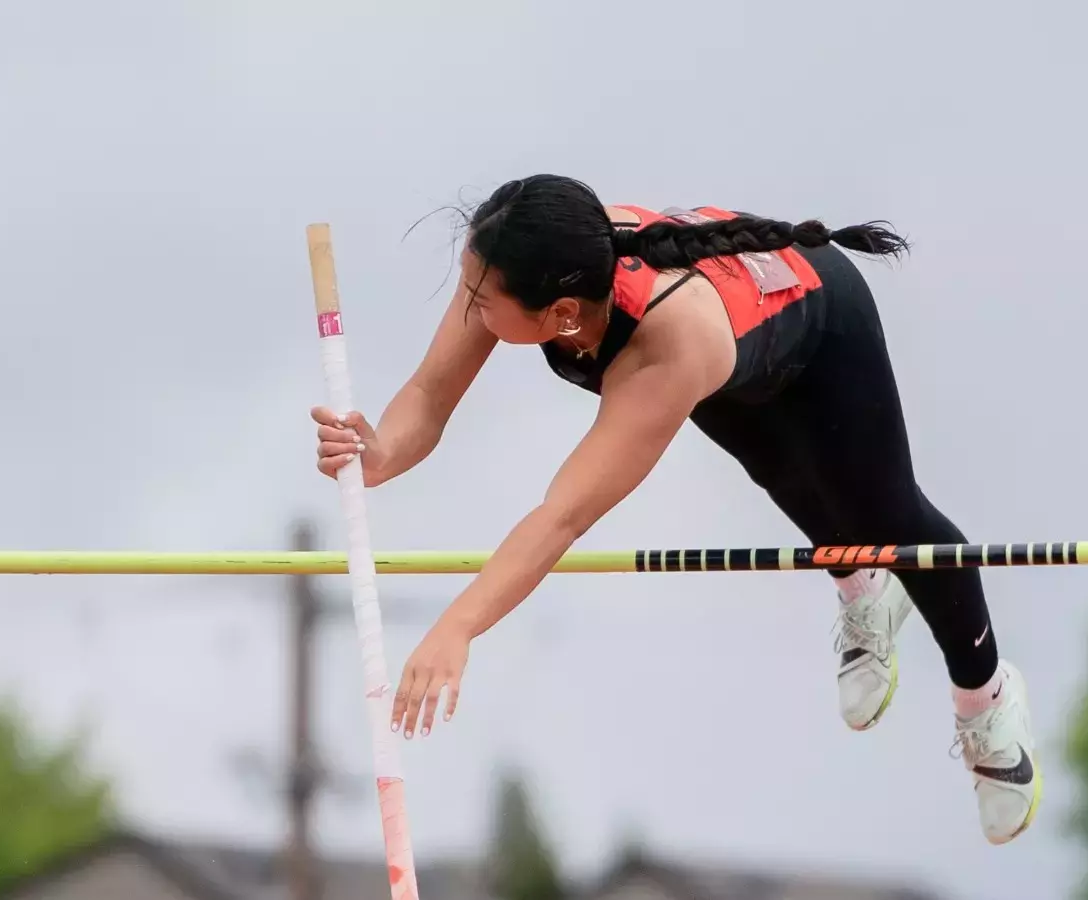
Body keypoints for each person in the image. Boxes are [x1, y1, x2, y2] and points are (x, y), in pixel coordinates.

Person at [311, 175, 1041, 844]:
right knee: (777, 470)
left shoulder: (664, 346)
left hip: (818, 321)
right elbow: (430, 397)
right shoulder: (516, 264)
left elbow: (560, 516)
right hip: (727, 345)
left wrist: (458, 627)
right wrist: (380, 457)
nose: (466, 306)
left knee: (887, 518)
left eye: (479, 298)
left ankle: (986, 695)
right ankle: (863, 590)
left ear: (561, 313)